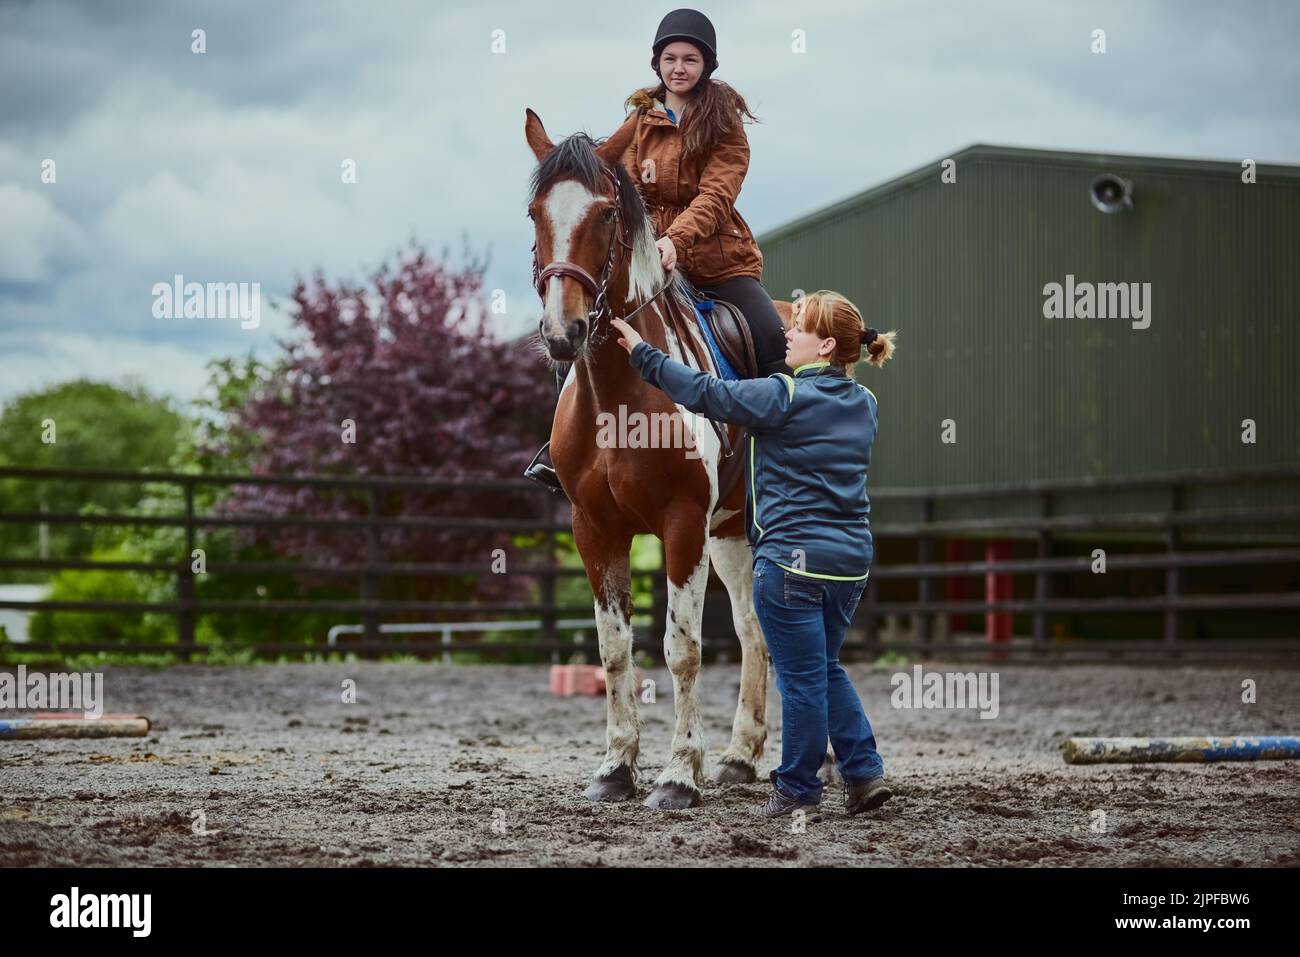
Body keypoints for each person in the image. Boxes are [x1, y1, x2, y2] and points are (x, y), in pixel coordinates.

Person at [609, 291, 898, 819]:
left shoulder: (781, 396)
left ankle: (796, 789)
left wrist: (643, 355)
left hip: (789, 566)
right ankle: (865, 774)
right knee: (826, 670)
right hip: (850, 565)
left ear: (826, 345)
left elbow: (706, 393)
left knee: (802, 681)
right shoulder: (867, 405)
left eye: (801, 327)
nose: (787, 333)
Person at [525, 8, 789, 493]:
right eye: (670, 58)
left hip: (717, 261)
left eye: (691, 59)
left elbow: (717, 196)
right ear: (657, 63)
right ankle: (563, 450)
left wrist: (676, 240)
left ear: (707, 65)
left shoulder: (725, 125)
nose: (679, 68)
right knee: (575, 329)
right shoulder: (637, 123)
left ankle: (784, 442)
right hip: (646, 265)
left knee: (771, 334)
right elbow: (616, 190)